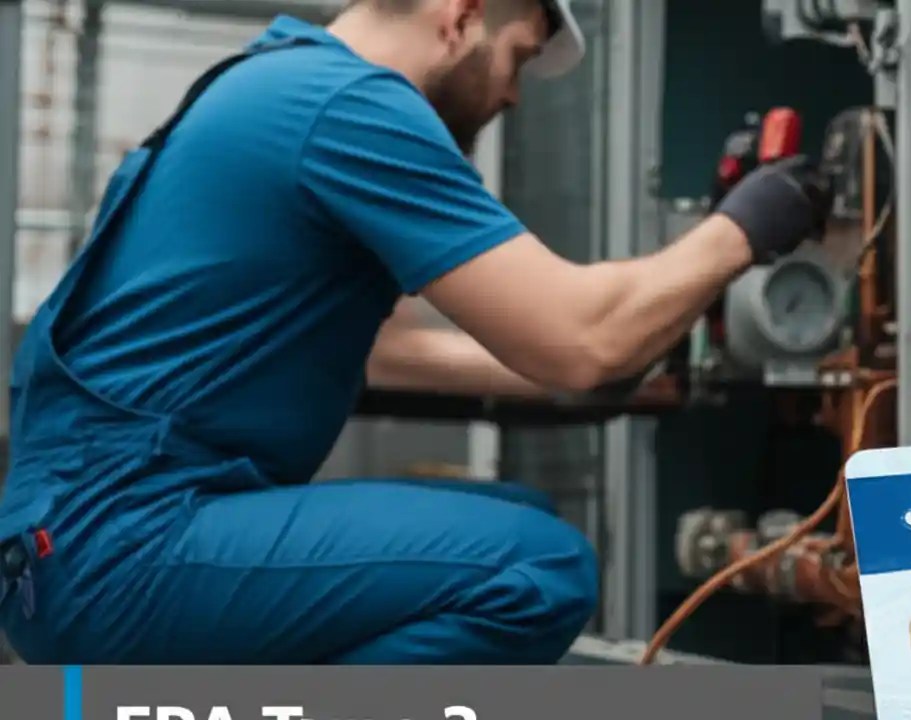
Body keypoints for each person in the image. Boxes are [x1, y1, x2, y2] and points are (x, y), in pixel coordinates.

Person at [0, 0, 830, 664]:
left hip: (65, 545)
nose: (513, 95)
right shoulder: (350, 106)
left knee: (516, 514)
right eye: (517, 59)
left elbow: (397, 350)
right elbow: (585, 337)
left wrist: (606, 366)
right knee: (538, 566)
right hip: (121, 547)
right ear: (461, 16)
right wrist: (749, 223)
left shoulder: (275, 83)